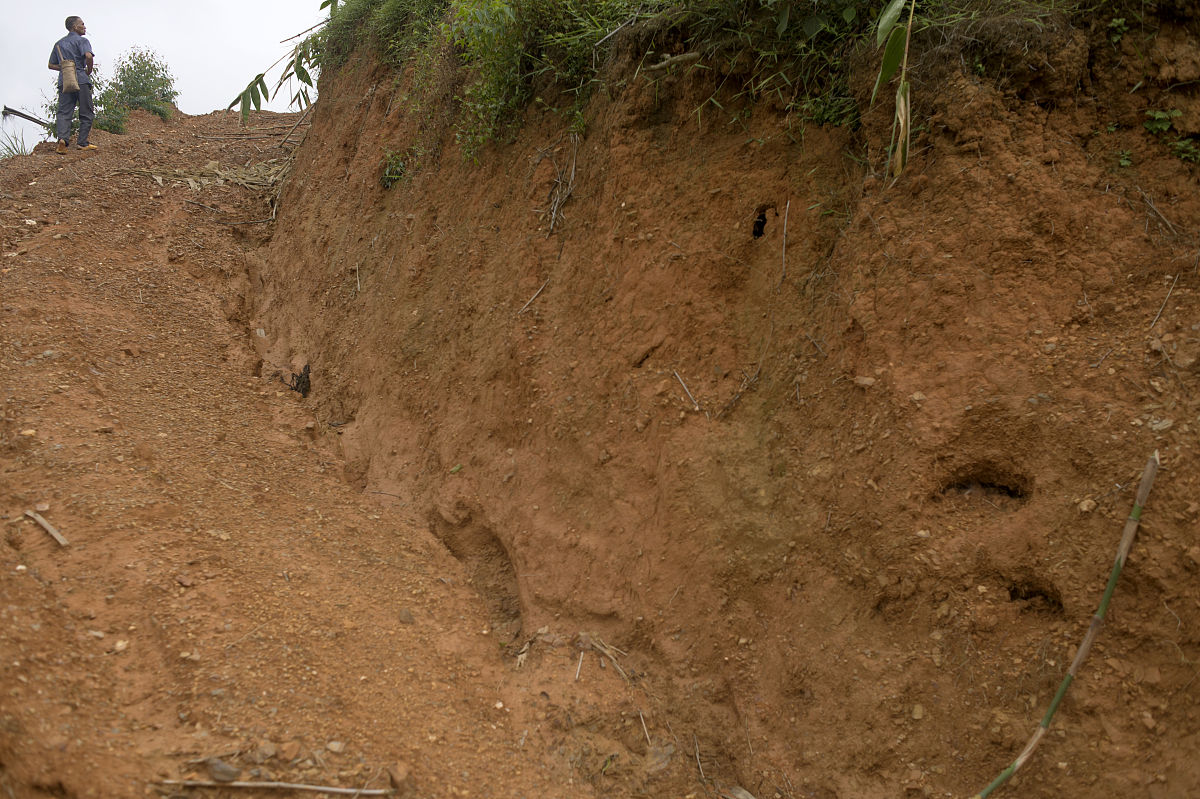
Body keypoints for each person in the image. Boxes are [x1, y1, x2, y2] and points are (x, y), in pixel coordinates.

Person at [48, 16, 96, 154]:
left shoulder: (58, 44)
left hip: (65, 80)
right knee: (86, 111)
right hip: (81, 78)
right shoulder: (82, 41)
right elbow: (88, 56)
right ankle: (82, 143)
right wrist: (89, 70)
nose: (85, 26)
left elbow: (50, 65)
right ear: (75, 27)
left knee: (64, 112)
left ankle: (63, 140)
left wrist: (66, 67)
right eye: (82, 24)